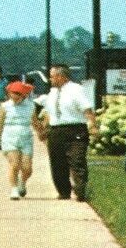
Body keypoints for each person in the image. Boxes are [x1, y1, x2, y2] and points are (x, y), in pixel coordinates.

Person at [39, 63, 96, 201]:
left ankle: (80, 190)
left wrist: (93, 126)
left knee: (77, 160)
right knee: (57, 163)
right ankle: (64, 192)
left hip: (75, 129)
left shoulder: (76, 90)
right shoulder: (53, 92)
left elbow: (87, 109)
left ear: (61, 76)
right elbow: (49, 113)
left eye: (52, 77)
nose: (50, 79)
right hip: (56, 131)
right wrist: (45, 129)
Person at [0, 80, 38, 199]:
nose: (15, 100)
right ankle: (14, 189)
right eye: (12, 97)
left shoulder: (31, 106)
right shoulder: (5, 106)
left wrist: (42, 133)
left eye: (18, 97)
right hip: (9, 137)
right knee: (14, 164)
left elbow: (35, 122)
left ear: (24, 96)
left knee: (27, 168)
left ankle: (22, 182)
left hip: (26, 137)